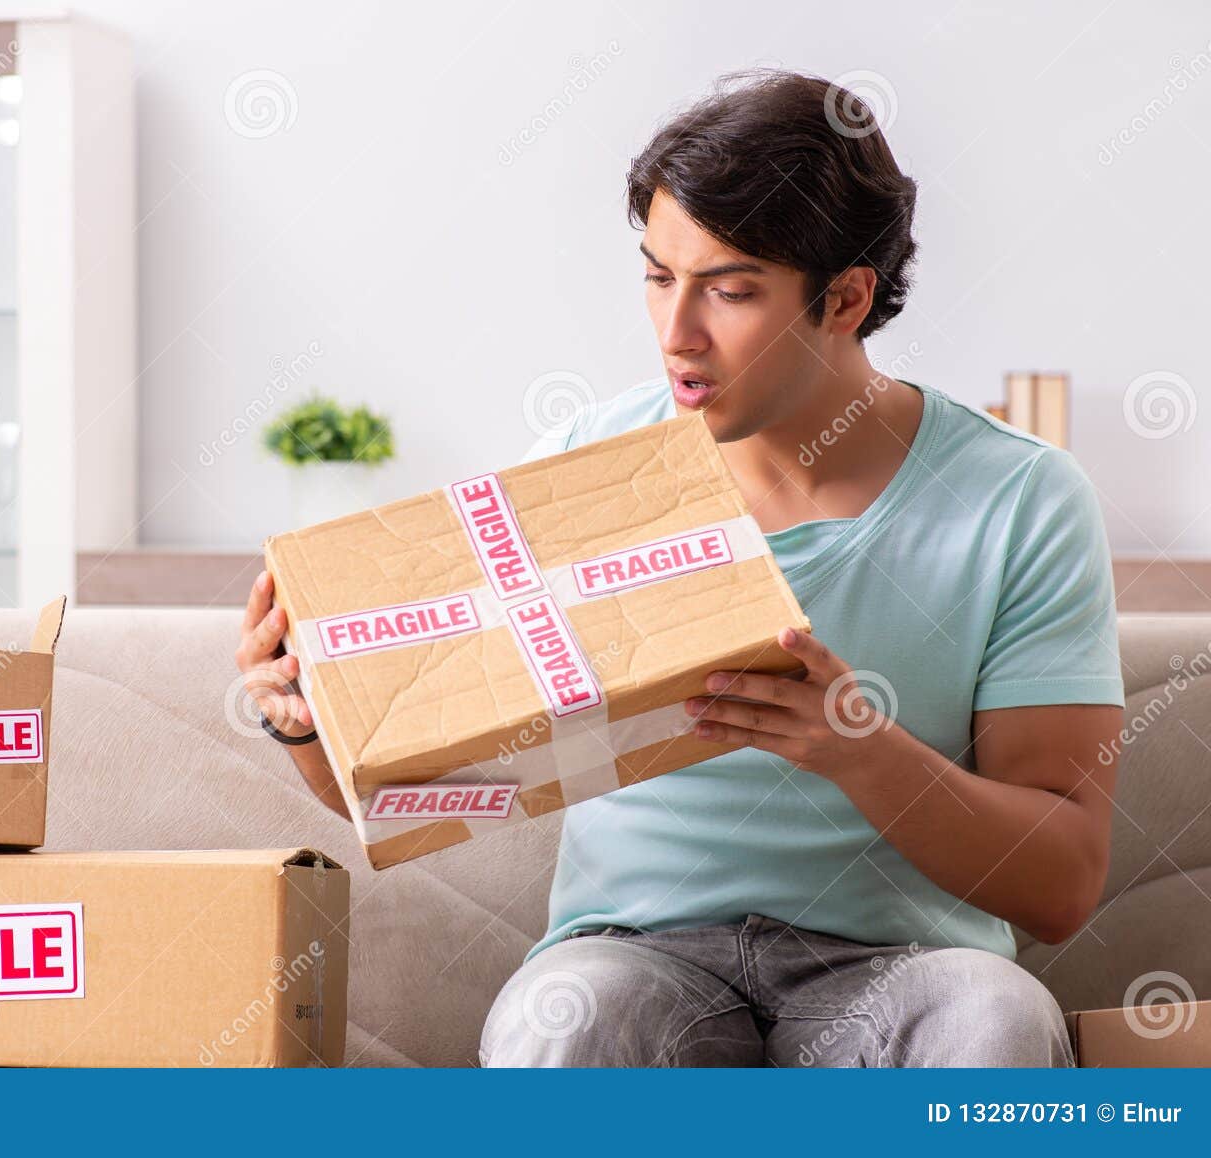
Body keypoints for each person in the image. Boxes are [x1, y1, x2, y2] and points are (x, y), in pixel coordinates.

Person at [234, 69, 1124, 1067]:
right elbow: (432, 794)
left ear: (845, 299)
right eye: (659, 275)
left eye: (729, 290)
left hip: (904, 964)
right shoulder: (584, 472)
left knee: (992, 1018)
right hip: (636, 958)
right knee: (560, 1022)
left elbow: (1060, 884)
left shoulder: (1019, 500)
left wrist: (860, 751)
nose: (675, 334)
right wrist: (311, 721)